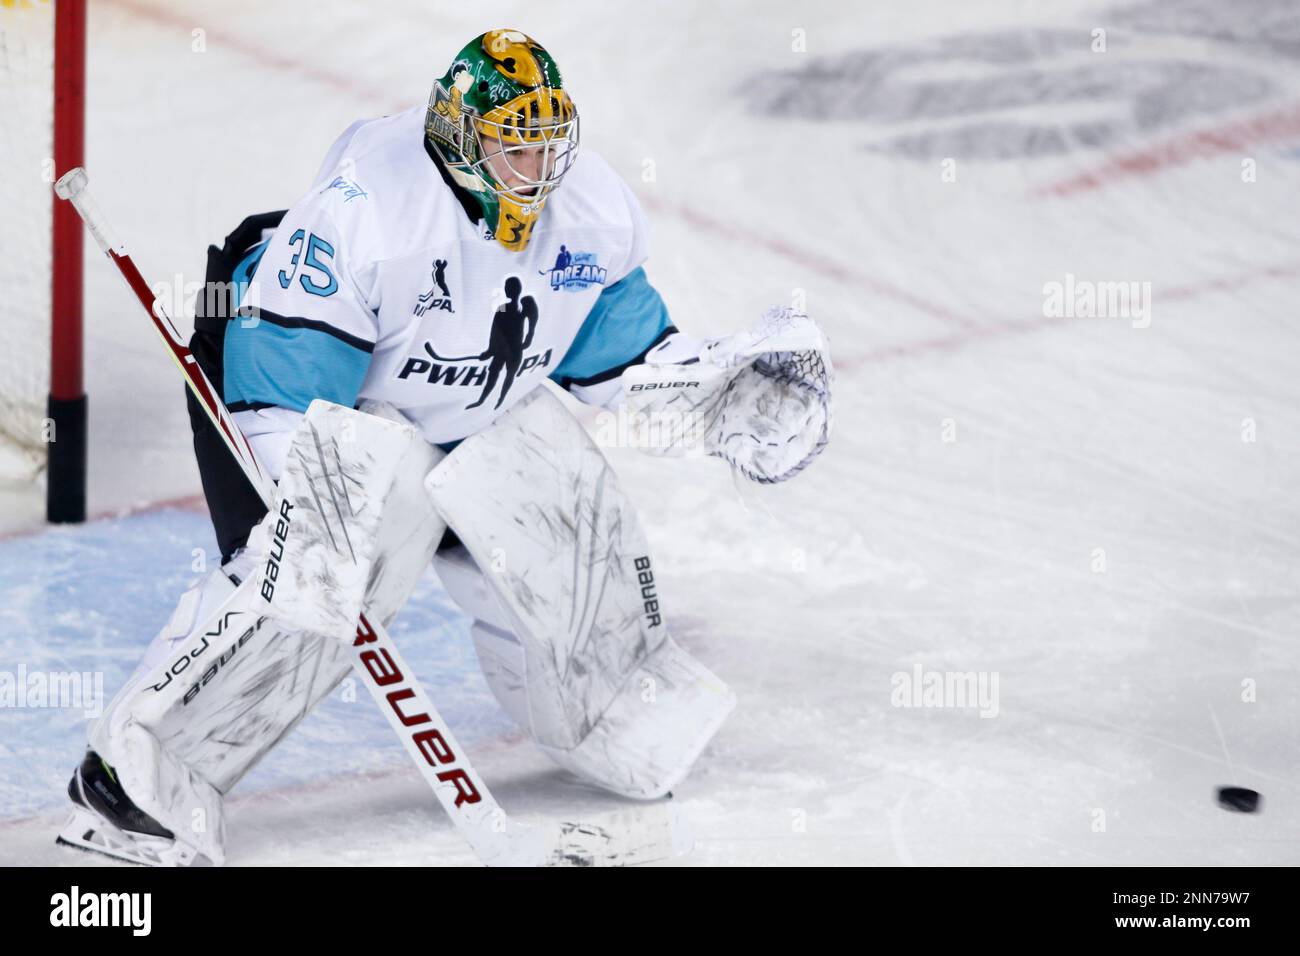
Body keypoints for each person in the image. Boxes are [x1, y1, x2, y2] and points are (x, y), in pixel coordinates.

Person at [59, 28, 832, 866]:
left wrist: (719, 394)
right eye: (513, 149)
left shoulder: (589, 216)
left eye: (545, 145)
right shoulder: (368, 216)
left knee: (554, 489)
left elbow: (624, 351)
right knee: (320, 563)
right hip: (298, 388)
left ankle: (608, 710)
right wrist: (313, 519)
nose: (536, 172)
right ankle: (137, 779)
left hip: (459, 396)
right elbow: (279, 387)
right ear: (461, 145)